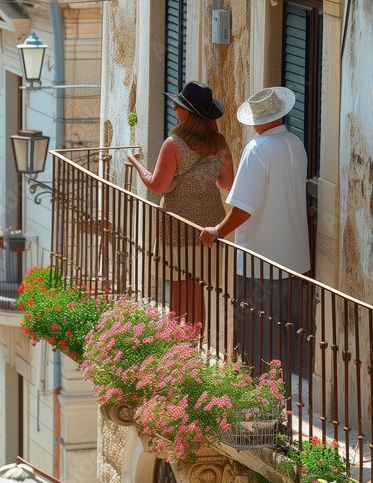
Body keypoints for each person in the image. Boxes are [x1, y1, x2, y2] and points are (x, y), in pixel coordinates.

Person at [199, 87, 310, 392]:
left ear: (257, 120)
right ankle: (280, 406)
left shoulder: (257, 149)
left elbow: (244, 208)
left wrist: (218, 230)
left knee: (258, 341)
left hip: (261, 264)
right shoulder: (295, 145)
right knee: (286, 339)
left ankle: (263, 413)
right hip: (295, 262)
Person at [129, 80, 234, 327]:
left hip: (178, 224)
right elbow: (226, 183)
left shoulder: (174, 144)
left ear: (188, 113)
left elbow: (158, 185)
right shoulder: (221, 145)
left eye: (177, 106)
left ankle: (180, 347)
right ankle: (195, 345)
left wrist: (136, 164)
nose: (174, 110)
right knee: (197, 288)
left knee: (178, 288)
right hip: (209, 226)